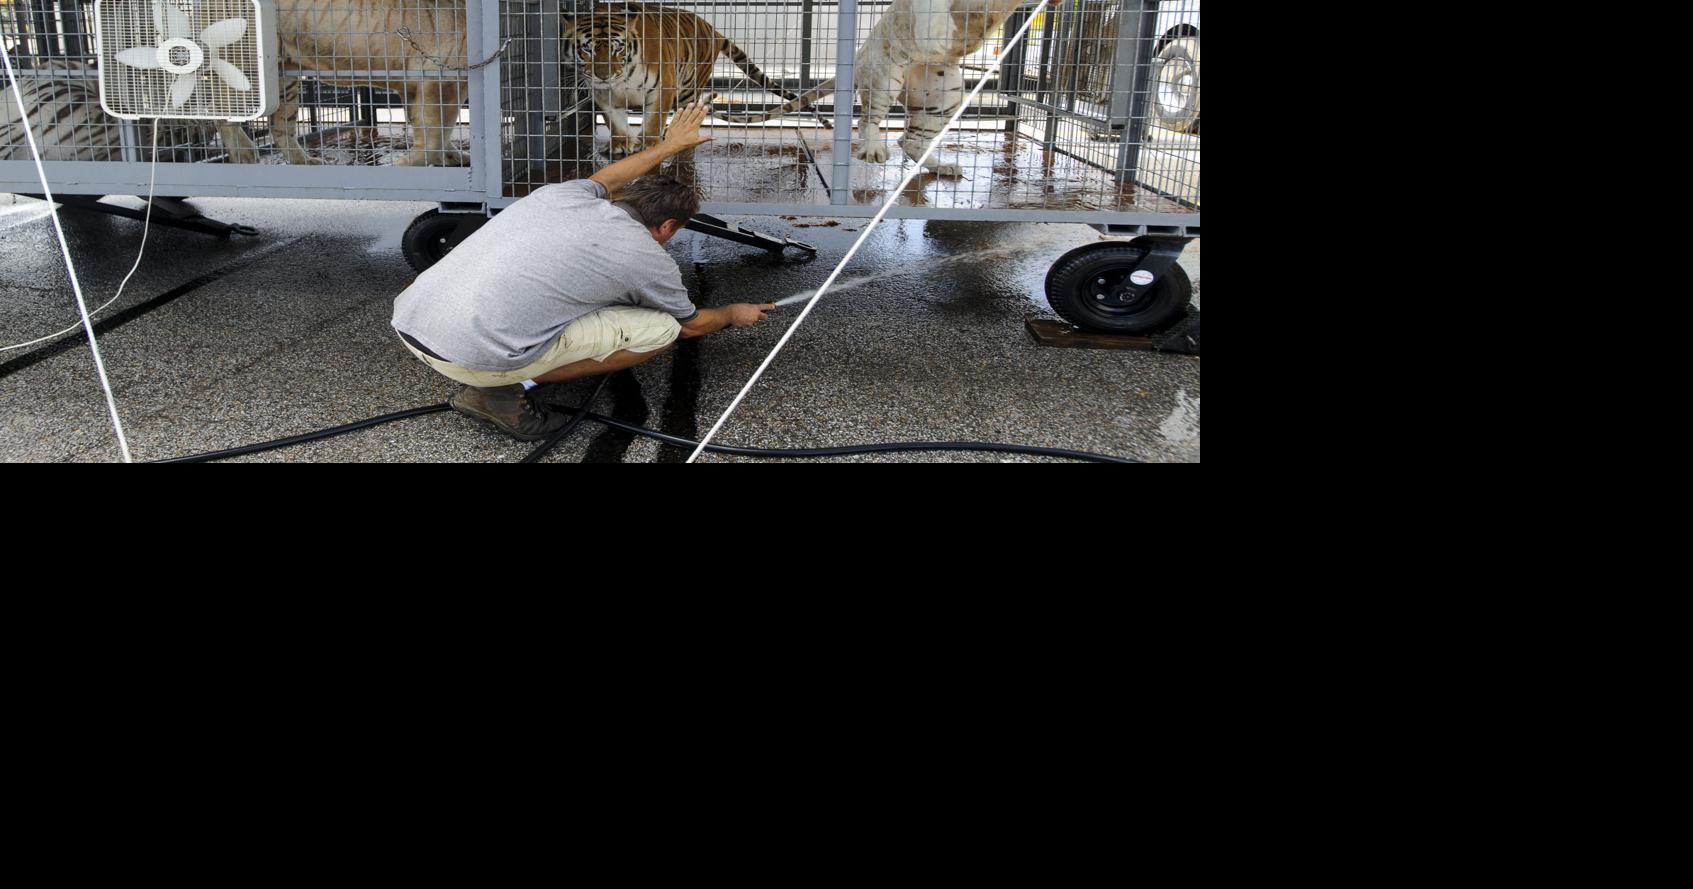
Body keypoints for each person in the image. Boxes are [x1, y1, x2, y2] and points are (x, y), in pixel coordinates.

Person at [391, 102, 775, 440]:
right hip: (469, 358)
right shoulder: (646, 258)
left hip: (409, 324)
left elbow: (606, 180)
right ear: (668, 227)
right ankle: (500, 391)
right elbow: (691, 325)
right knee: (663, 329)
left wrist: (669, 146)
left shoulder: (562, 195)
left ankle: (489, 371)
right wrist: (731, 314)